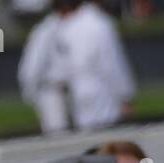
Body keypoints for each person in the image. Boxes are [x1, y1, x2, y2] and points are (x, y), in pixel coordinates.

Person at [58, 1, 136, 132]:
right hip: (102, 89)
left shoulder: (69, 25)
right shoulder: (102, 24)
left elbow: (64, 64)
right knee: (107, 136)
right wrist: (125, 96)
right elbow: (112, 63)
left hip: (78, 89)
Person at [17, 1, 74, 134]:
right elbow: (31, 67)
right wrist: (31, 94)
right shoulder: (44, 30)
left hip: (73, 89)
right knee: (58, 135)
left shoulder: (72, 25)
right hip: (52, 90)